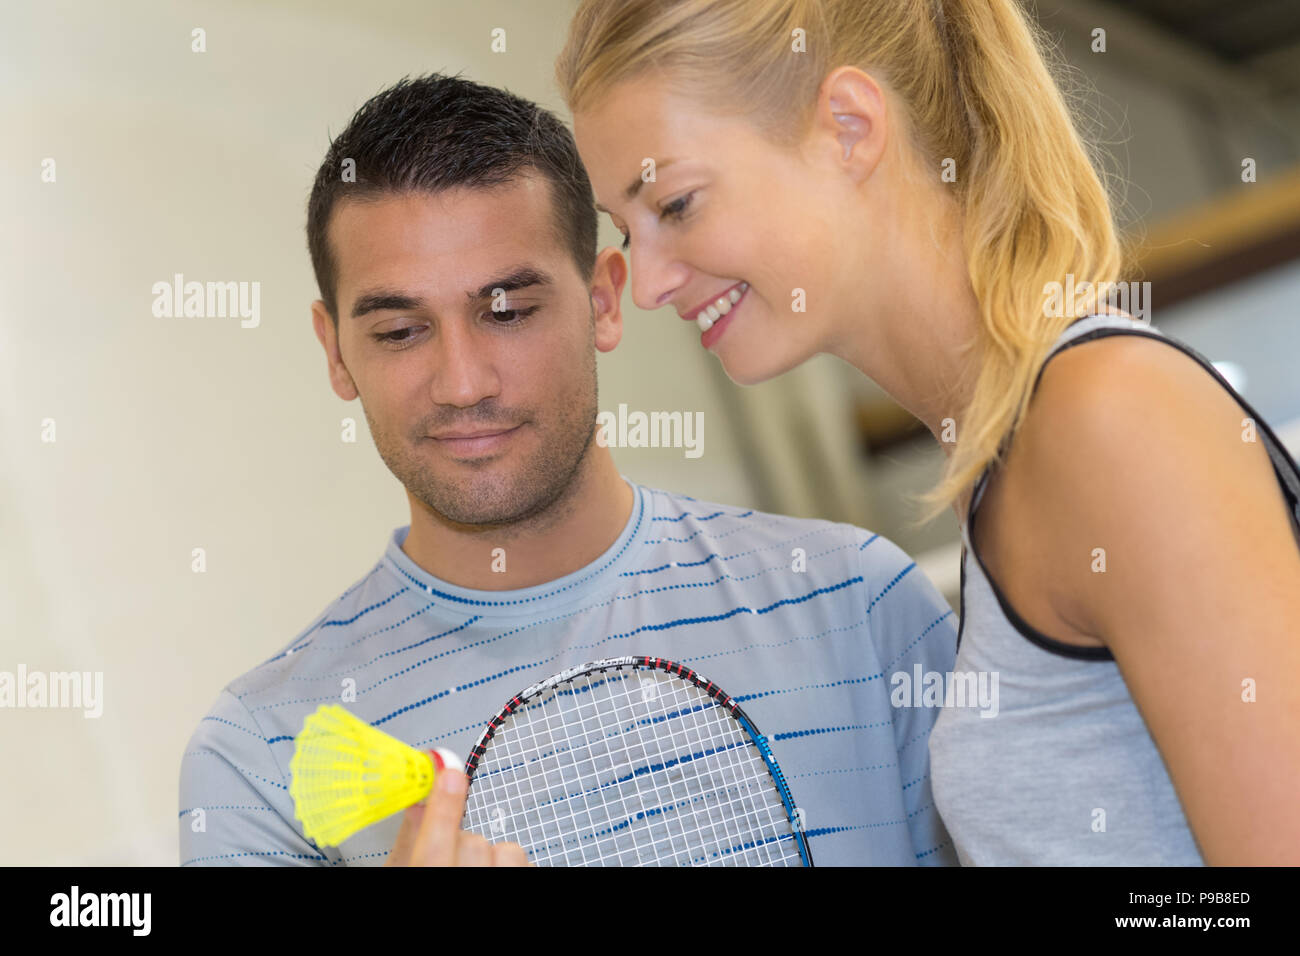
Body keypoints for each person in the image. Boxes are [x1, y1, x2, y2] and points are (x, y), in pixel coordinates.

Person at [557, 0, 1300, 865]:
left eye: (676, 205)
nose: (645, 284)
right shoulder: (1008, 459)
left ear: (849, 126)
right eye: (624, 229)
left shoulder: (1105, 416)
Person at [177, 72, 960, 867]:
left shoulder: (863, 608)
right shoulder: (257, 762)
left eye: (508, 312)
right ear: (335, 350)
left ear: (605, 301)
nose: (464, 382)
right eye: (401, 332)